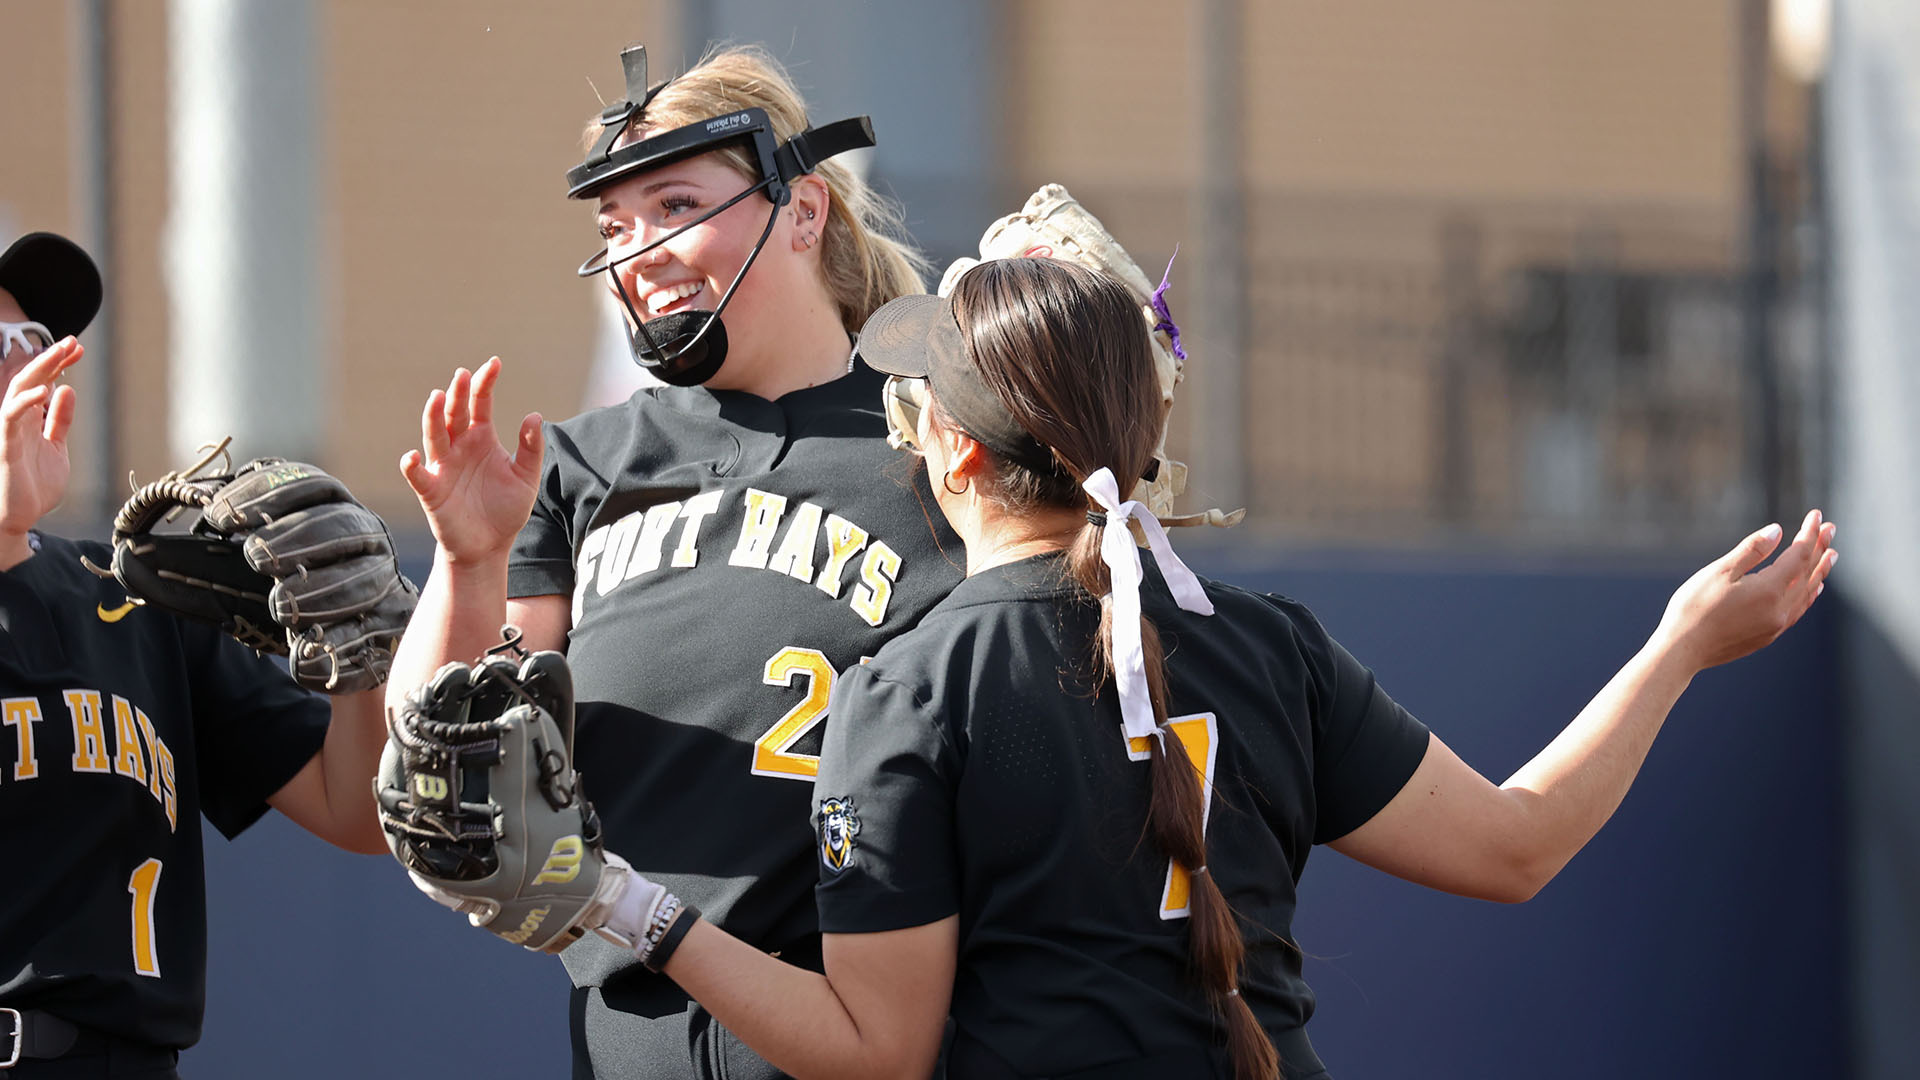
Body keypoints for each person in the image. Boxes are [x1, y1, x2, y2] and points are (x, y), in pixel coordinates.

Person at [495, 256, 1835, 1080]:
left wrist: (620, 903)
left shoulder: (908, 685)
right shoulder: (1268, 646)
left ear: (952, 457)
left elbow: (873, 1052)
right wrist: (1681, 646)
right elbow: (1520, 846)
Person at [386, 45, 964, 1079]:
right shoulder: (575, 463)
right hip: (628, 1037)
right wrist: (467, 560)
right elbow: (436, 764)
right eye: (615, 226)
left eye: (677, 204)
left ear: (804, 210)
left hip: (873, 1028)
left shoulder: (946, 447)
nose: (637, 249)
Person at [0, 233, 396, 1078]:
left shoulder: (131, 596)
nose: (25, 365)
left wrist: (353, 662)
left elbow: (358, 814)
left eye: (32, 341)